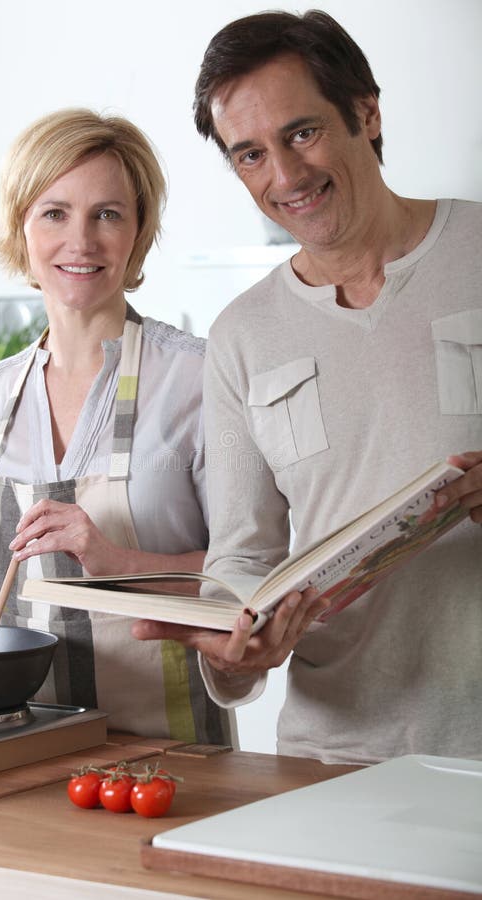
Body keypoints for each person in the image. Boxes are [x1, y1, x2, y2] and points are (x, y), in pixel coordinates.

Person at [133, 10, 482, 765]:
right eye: (250, 154)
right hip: (331, 758)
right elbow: (240, 559)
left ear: (367, 112)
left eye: (302, 133)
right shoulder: (242, 335)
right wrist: (235, 652)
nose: (285, 177)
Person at [0, 108, 234, 745]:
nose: (81, 241)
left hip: (173, 751)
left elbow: (245, 574)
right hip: (23, 743)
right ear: (20, 227)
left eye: (107, 214)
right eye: (55, 213)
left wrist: (117, 562)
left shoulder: (197, 377)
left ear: (138, 231)